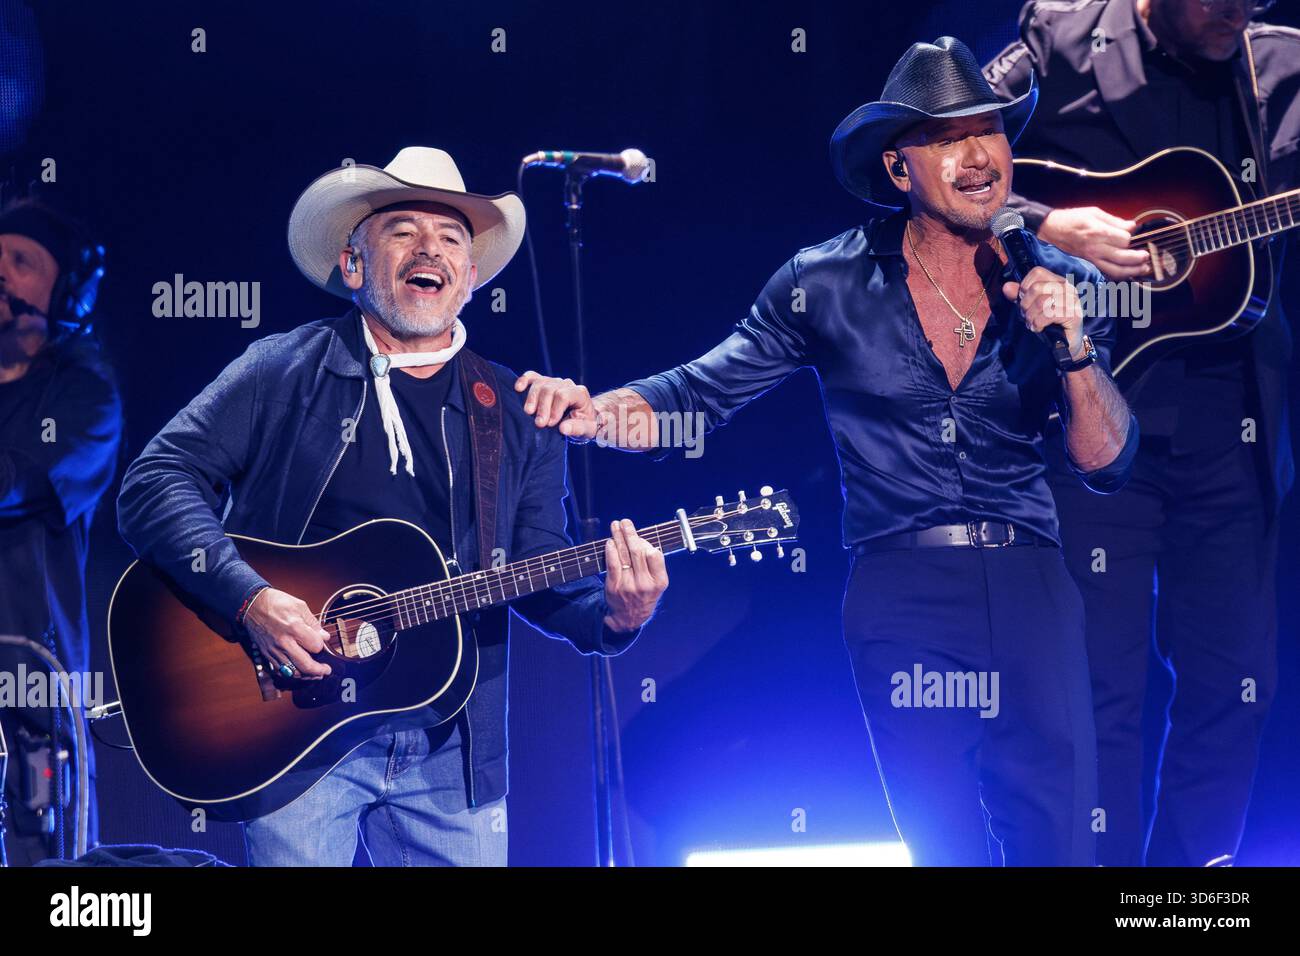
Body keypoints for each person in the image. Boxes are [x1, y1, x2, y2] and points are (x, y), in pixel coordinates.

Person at [515, 39, 1140, 865]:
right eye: (948, 137)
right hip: (902, 592)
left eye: (989, 131)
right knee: (945, 843)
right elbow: (698, 396)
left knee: (1059, 844)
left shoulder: (1058, 280)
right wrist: (598, 415)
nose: (979, 155)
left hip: (1032, 585)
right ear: (898, 168)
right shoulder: (827, 281)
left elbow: (1107, 462)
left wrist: (1070, 345)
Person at [115, 148, 667, 866]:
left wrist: (617, 616)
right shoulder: (281, 371)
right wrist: (250, 600)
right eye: (402, 230)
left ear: (468, 279)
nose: (428, 248)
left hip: (453, 745)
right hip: (296, 732)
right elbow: (152, 481)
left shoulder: (519, 410)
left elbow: (537, 571)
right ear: (354, 266)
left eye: (450, 238)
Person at [985, 0, 1300, 865]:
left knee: (1237, 690)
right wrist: (1051, 225)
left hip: (1231, 436)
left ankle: (1180, 904)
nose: (1240, 13)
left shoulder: (1279, 67)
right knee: (1096, 693)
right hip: (1087, 429)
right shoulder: (1058, 38)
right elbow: (940, 163)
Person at [0, 196, 121, 865]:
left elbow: (16, 482)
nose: (0, 272)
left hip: (29, 693)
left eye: (21, 261)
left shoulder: (86, 396)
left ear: (68, 293)